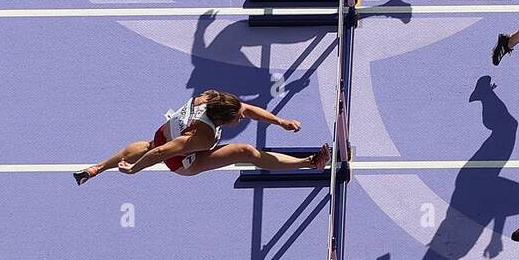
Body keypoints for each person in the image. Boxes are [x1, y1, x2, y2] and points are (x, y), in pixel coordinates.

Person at [72, 89, 329, 182]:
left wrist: (280, 121)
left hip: (164, 134)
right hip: (182, 160)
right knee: (246, 152)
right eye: (237, 118)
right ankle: (310, 163)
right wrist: (136, 169)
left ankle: (97, 169)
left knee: (150, 143)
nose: (242, 118)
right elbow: (162, 153)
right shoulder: (201, 139)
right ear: (221, 120)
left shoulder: (211, 97)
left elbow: (247, 109)